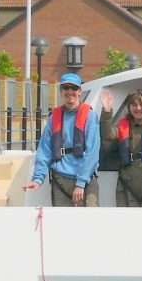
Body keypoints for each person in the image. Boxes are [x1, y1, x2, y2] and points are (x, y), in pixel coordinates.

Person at [25, 73, 101, 207]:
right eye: (66, 88)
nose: (70, 91)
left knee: (90, 222)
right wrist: (37, 179)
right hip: (60, 179)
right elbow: (44, 150)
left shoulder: (90, 116)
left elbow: (92, 152)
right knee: (61, 224)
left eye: (74, 88)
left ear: (79, 91)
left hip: (85, 180)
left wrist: (81, 183)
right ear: (61, 91)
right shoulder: (53, 118)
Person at [99, 90, 142, 207]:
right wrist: (106, 112)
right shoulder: (122, 125)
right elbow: (107, 135)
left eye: (141, 105)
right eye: (134, 105)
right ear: (129, 107)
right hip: (127, 182)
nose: (138, 108)